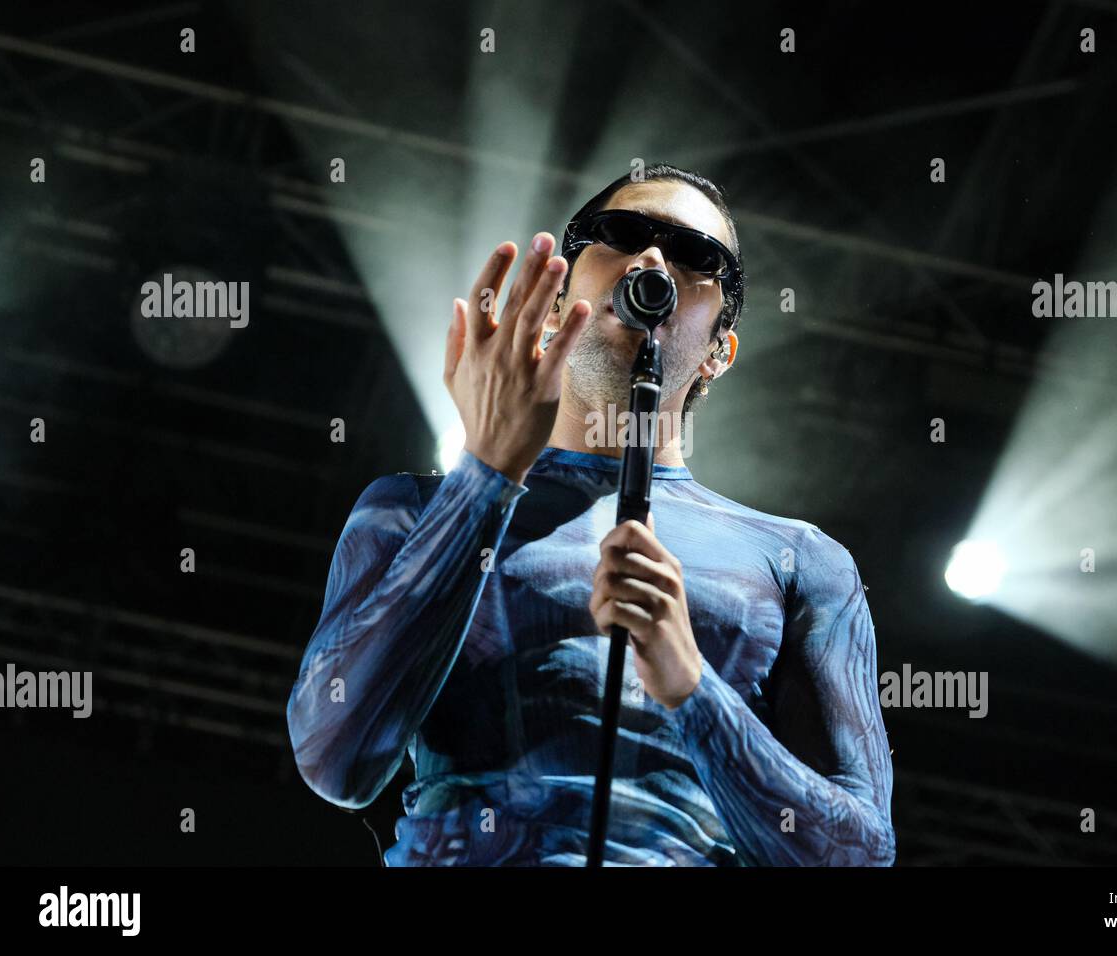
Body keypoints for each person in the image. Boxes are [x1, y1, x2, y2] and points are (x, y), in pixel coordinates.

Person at [286, 163, 895, 866]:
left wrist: (694, 688)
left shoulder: (800, 560)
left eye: (698, 256)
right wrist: (486, 475)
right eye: (621, 233)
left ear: (720, 353)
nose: (651, 260)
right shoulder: (409, 511)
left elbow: (858, 854)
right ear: (555, 303)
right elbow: (334, 760)